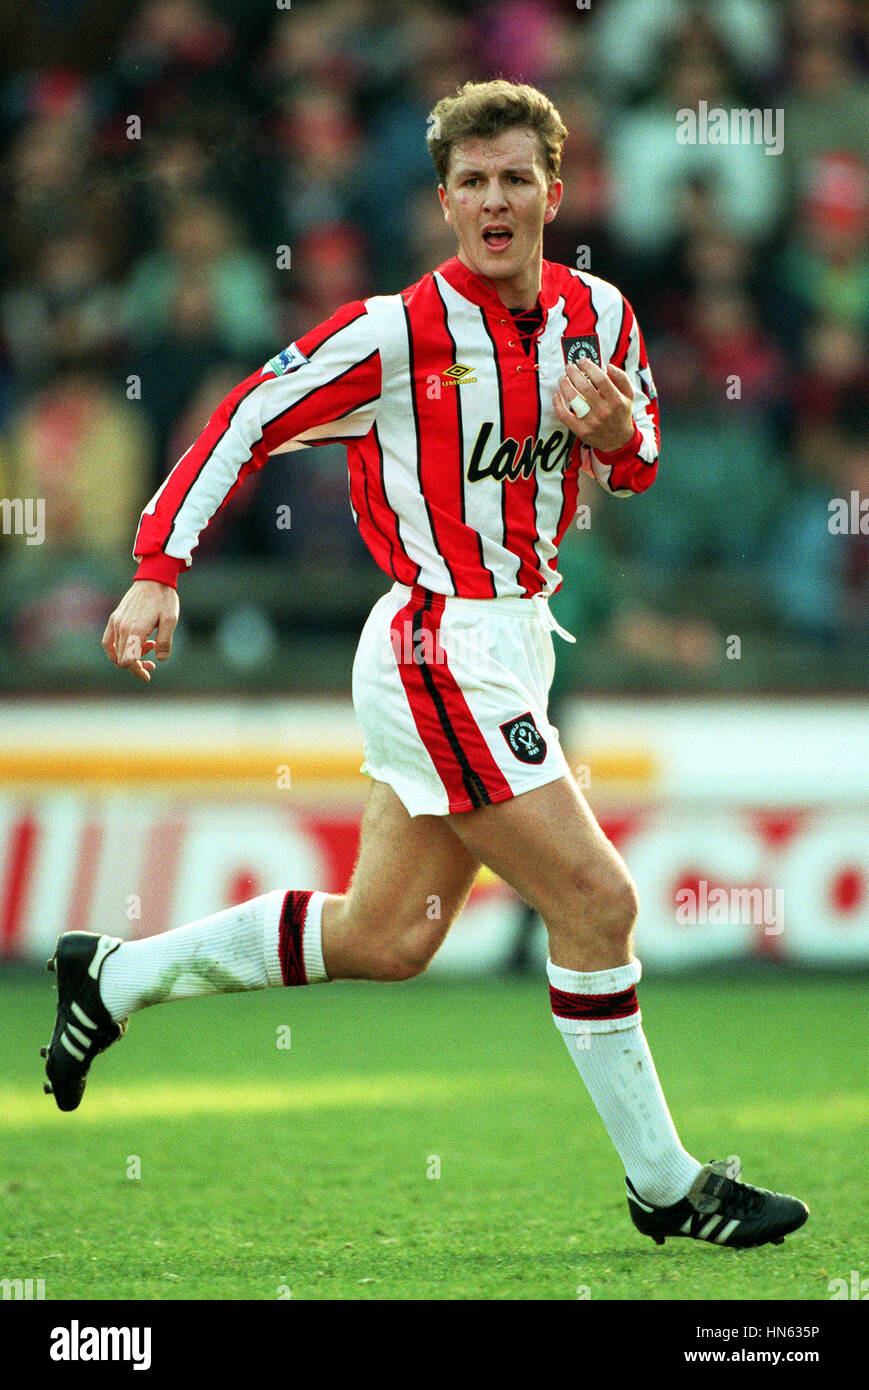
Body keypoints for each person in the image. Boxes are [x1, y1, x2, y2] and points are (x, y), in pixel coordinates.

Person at [43, 80, 807, 1251]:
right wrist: (158, 564)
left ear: (553, 193)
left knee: (383, 939)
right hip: (437, 642)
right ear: (442, 202)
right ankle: (666, 1184)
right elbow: (248, 413)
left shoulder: (600, 314)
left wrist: (614, 434)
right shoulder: (393, 332)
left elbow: (640, 458)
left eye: (514, 179)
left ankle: (115, 975)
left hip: (512, 641)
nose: (493, 201)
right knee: (597, 900)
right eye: (470, 182)